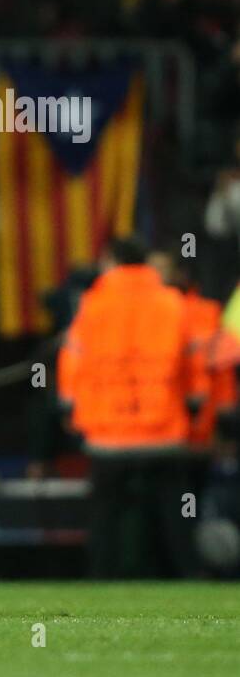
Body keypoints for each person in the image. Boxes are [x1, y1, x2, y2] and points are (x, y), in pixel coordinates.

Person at [59, 236, 204, 577]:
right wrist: (194, 404)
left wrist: (69, 407)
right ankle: (190, 574)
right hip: (163, 428)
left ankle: (102, 579)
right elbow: (193, 361)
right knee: (174, 510)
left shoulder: (92, 304)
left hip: (108, 431)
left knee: (106, 513)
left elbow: (72, 360)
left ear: (111, 261)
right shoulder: (173, 302)